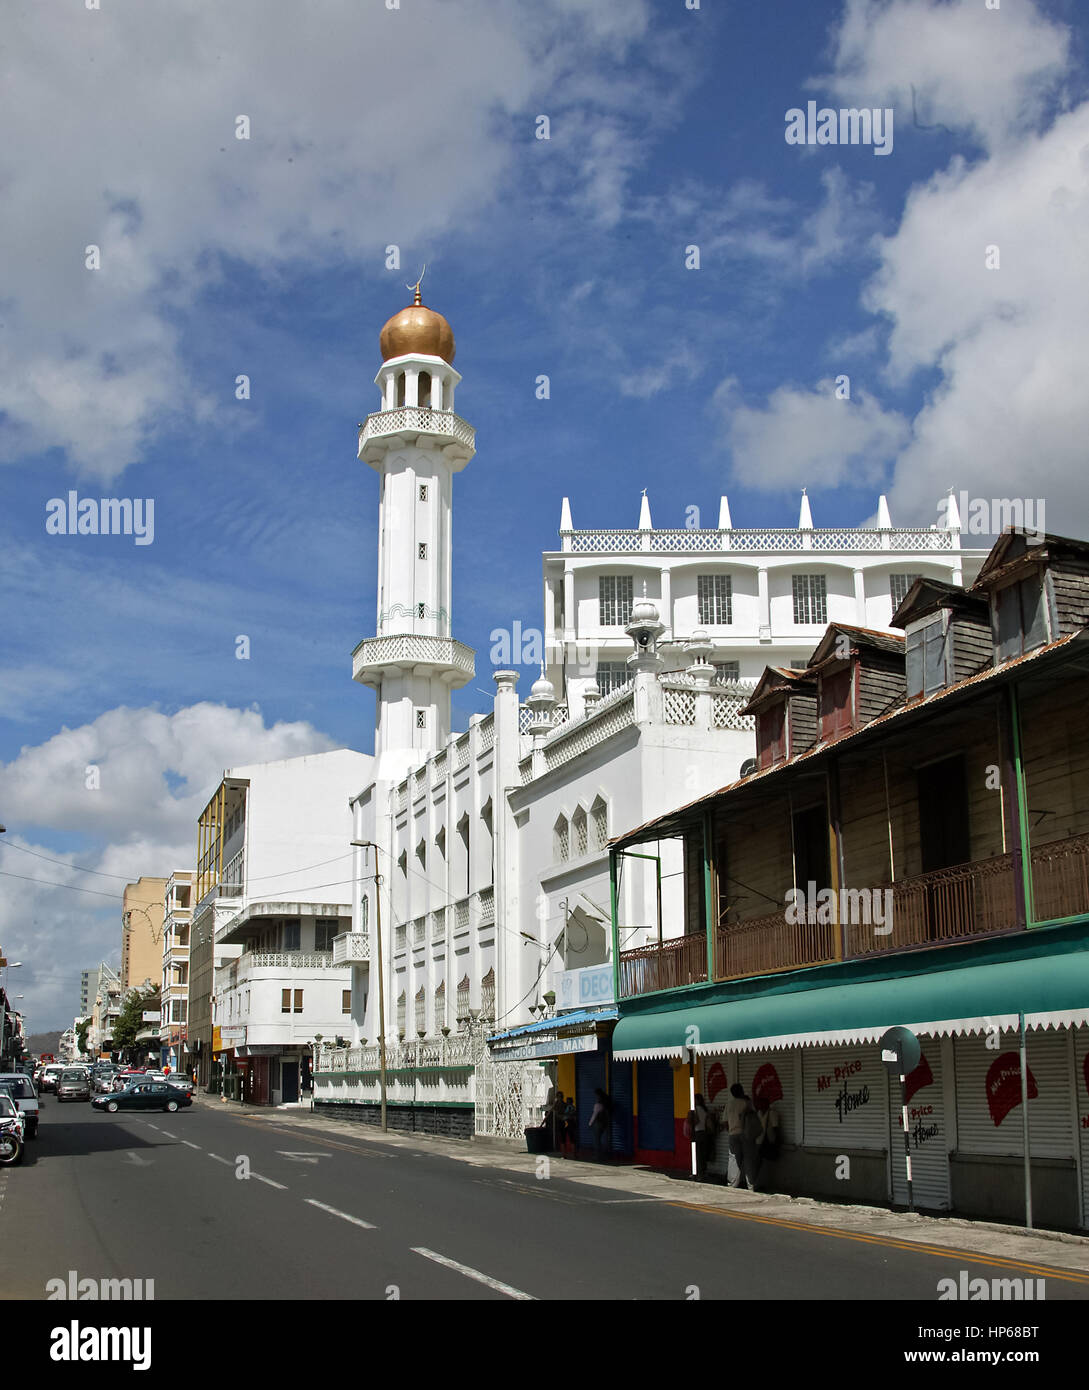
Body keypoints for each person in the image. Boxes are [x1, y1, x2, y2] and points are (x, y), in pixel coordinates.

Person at [725, 1082, 752, 1189]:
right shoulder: (746, 1103)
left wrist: (731, 1130)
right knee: (748, 1158)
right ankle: (750, 1184)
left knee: (733, 1159)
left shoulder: (729, 1104)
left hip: (733, 1134)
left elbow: (724, 1122)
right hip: (745, 1134)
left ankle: (732, 1184)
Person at [588, 1088, 611, 1162]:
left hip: (598, 1123)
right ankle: (604, 1155)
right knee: (604, 1140)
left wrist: (590, 1123)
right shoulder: (606, 1103)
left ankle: (598, 1156)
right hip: (605, 1123)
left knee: (597, 1140)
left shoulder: (598, 1104)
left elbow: (594, 1115)